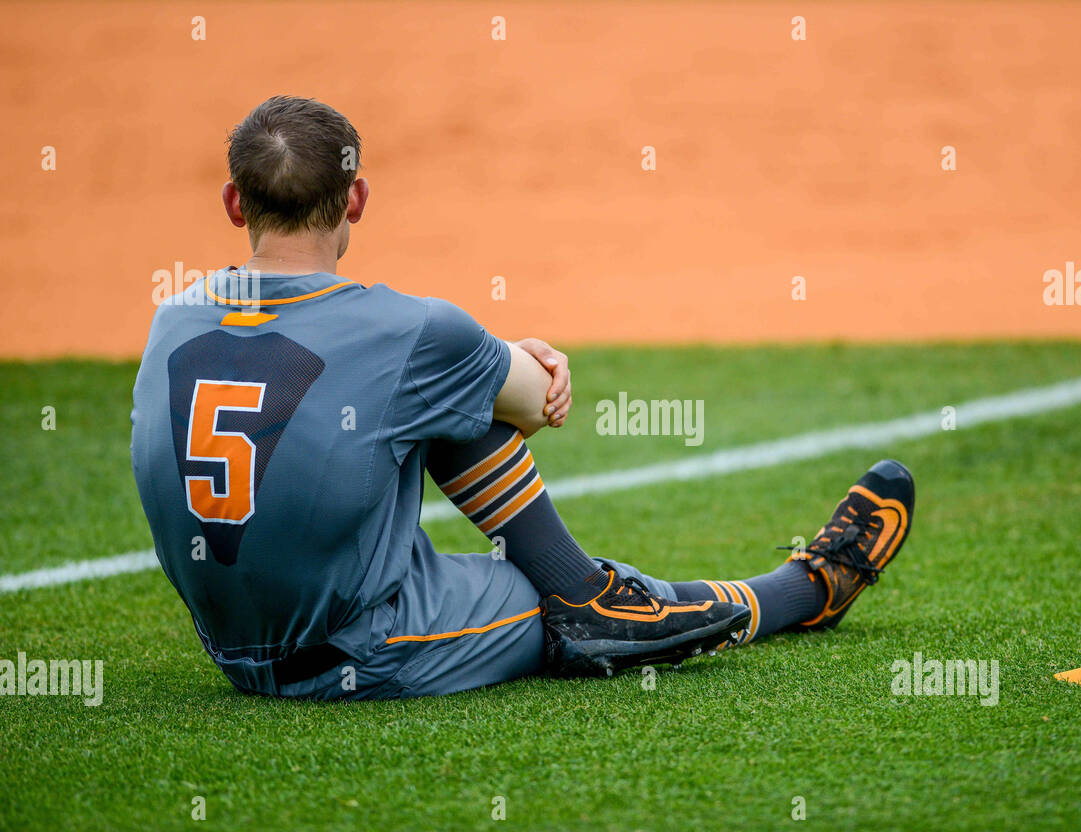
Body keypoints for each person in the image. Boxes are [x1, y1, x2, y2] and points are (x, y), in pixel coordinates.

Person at [129, 96, 915, 700]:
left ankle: (595, 597)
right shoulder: (408, 327)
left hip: (233, 651)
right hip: (365, 651)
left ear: (236, 205)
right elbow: (538, 404)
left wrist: (465, 370)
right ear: (356, 198)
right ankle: (807, 587)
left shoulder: (172, 316)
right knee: (593, 609)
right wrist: (506, 356)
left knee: (425, 396)